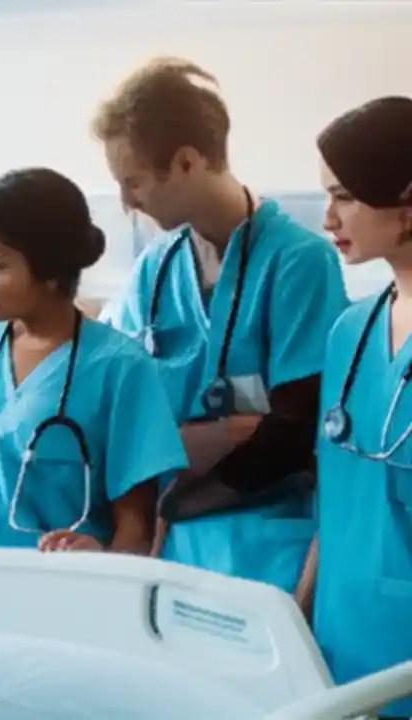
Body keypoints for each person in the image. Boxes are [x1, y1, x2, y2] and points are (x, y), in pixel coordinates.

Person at [93, 57, 348, 594]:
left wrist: (173, 461)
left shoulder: (298, 264)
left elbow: (293, 434)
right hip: (177, 555)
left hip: (270, 554)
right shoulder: (156, 272)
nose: (125, 201)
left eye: (132, 181)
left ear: (186, 162)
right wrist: (209, 436)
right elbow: (117, 416)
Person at [0, 168, 188, 626]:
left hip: (51, 619)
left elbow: (137, 526)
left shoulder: (118, 368)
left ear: (51, 270)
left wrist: (105, 556)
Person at [299, 96, 412, 720]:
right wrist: (302, 606)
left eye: (344, 196)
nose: (328, 217)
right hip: (340, 641)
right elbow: (338, 493)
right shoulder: (350, 332)